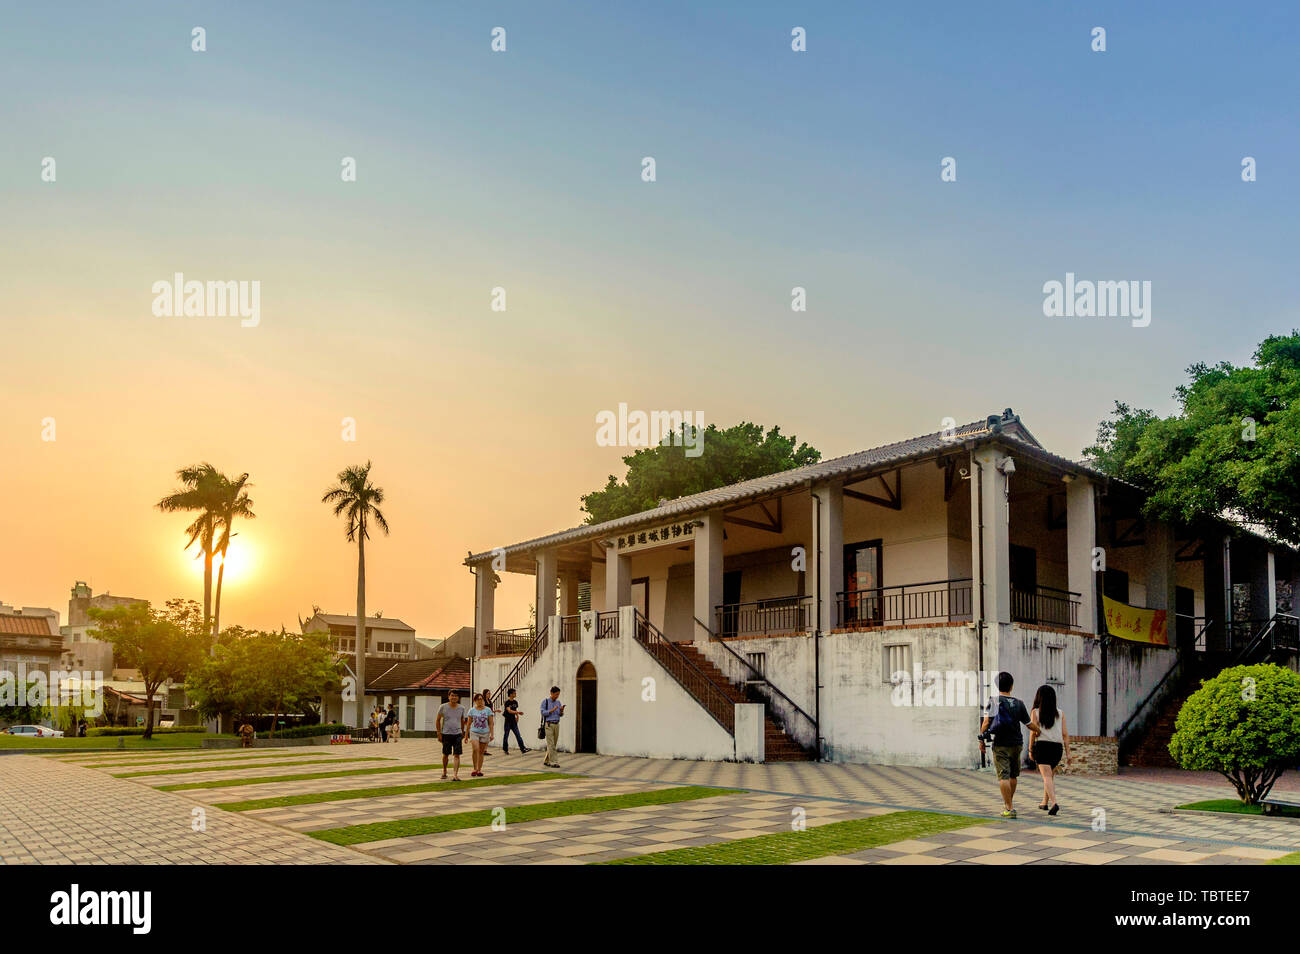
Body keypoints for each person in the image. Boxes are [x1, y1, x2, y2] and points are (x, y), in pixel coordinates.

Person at [978, 671, 1038, 818]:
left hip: (1000, 743)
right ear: (1012, 686)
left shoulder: (994, 701)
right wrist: (1041, 731)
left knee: (1003, 776)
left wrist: (981, 739)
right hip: (1016, 743)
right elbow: (1029, 724)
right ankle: (1008, 804)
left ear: (997, 685)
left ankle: (1009, 808)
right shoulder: (1019, 703)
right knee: (1013, 775)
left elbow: (986, 722)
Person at [1029, 684, 1070, 815]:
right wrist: (1068, 753)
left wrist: (1030, 749)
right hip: (1057, 748)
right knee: (1050, 777)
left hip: (1043, 746)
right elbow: (1065, 734)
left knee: (1046, 777)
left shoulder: (1035, 712)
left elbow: (1032, 733)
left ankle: (1054, 803)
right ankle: (1044, 802)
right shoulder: (1060, 713)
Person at [435, 691, 468, 780]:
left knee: (457, 754)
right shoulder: (443, 707)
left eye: (456, 696)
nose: (454, 697)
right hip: (446, 734)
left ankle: (455, 775)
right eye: (452, 695)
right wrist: (438, 733)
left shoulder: (462, 708)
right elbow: (438, 720)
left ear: (458, 698)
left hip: (457, 734)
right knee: (446, 754)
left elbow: (462, 720)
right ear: (449, 697)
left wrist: (462, 732)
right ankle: (444, 770)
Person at [466, 693, 494, 777]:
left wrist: (492, 734)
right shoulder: (472, 710)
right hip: (474, 732)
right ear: (475, 701)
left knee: (481, 752)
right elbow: (468, 723)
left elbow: (491, 723)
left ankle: (479, 769)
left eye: (481, 699)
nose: (480, 701)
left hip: (485, 732)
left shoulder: (488, 710)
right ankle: (474, 768)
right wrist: (466, 735)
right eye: (478, 699)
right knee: (475, 748)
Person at [540, 686, 565, 768]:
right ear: (551, 693)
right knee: (551, 744)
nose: (557, 696)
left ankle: (546, 760)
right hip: (549, 725)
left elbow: (560, 715)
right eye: (556, 694)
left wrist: (561, 711)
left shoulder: (558, 703)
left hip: (557, 724)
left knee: (553, 744)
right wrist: (551, 710)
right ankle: (554, 762)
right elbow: (543, 712)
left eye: (558, 694)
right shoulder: (545, 702)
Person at [501, 688, 529, 754]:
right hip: (508, 721)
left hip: (513, 721)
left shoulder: (515, 702)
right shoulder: (507, 702)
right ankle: (505, 749)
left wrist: (517, 717)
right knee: (506, 735)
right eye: (514, 693)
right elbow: (509, 711)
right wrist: (518, 712)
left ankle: (522, 748)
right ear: (510, 694)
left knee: (518, 735)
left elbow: (515, 710)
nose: (515, 694)